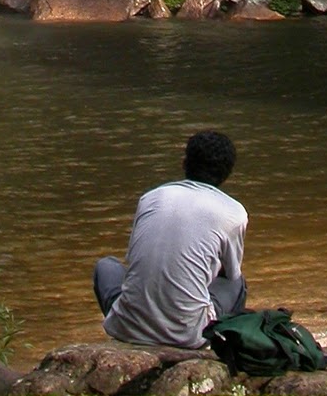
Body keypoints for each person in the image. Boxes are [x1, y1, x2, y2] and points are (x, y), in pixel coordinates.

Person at [93, 130, 247, 350]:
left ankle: (133, 324)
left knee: (106, 266)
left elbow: (136, 261)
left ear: (184, 163)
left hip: (127, 327)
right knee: (238, 283)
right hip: (189, 335)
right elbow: (231, 275)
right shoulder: (234, 213)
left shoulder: (151, 198)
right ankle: (223, 345)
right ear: (228, 173)